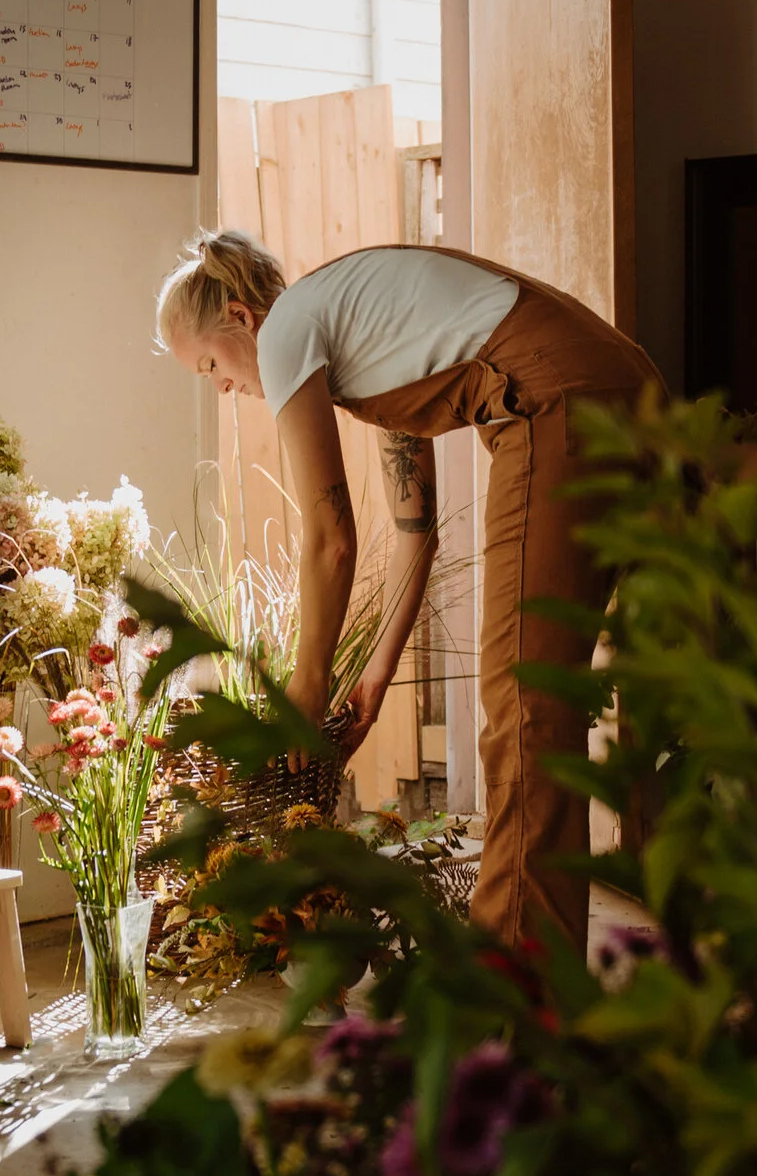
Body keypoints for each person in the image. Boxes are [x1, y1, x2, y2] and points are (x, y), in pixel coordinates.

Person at [155, 230, 660, 950]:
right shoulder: (351, 327)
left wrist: (306, 687)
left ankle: (516, 1000)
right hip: (621, 384)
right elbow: (414, 527)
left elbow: (331, 539)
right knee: (645, 678)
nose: (221, 386)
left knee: (525, 704)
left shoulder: (287, 327)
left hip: (557, 401)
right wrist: (376, 675)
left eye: (209, 364)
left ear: (240, 316)